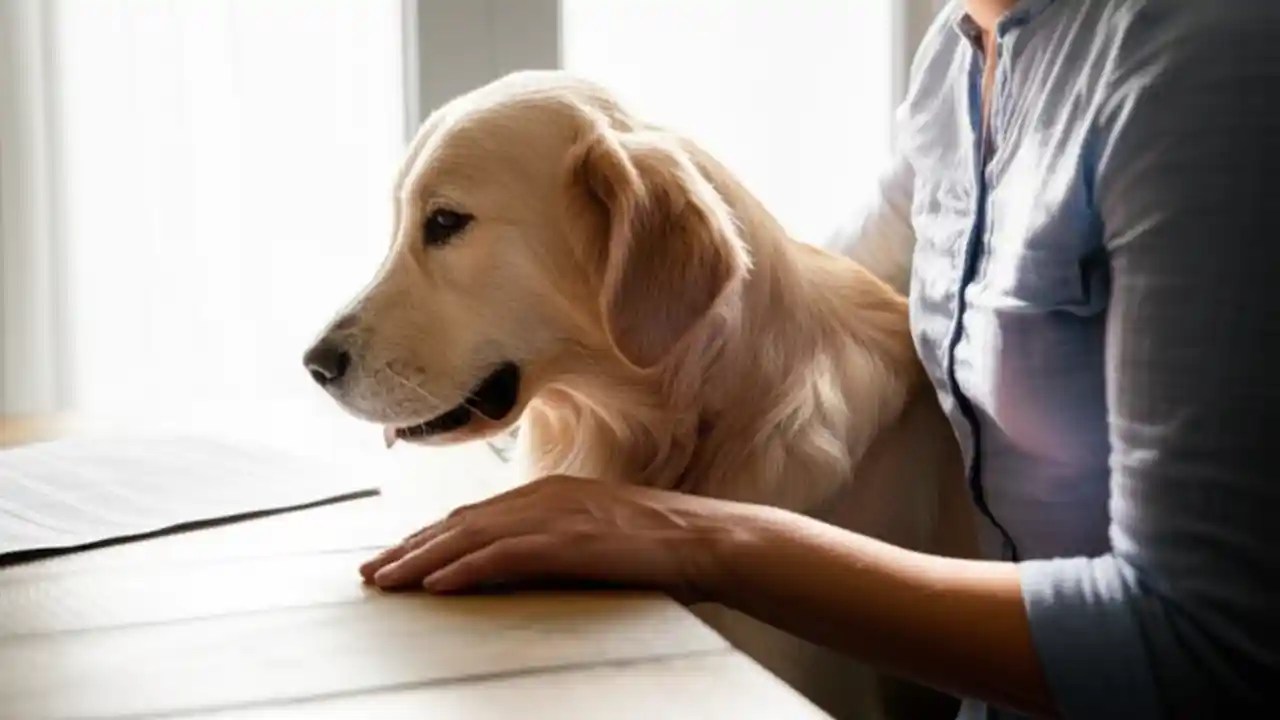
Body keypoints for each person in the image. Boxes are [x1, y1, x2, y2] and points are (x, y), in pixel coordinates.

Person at [359, 0, 1280, 716]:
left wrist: (692, 536)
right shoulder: (963, 52)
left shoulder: (1201, 66)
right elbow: (804, 298)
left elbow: (1199, 656)